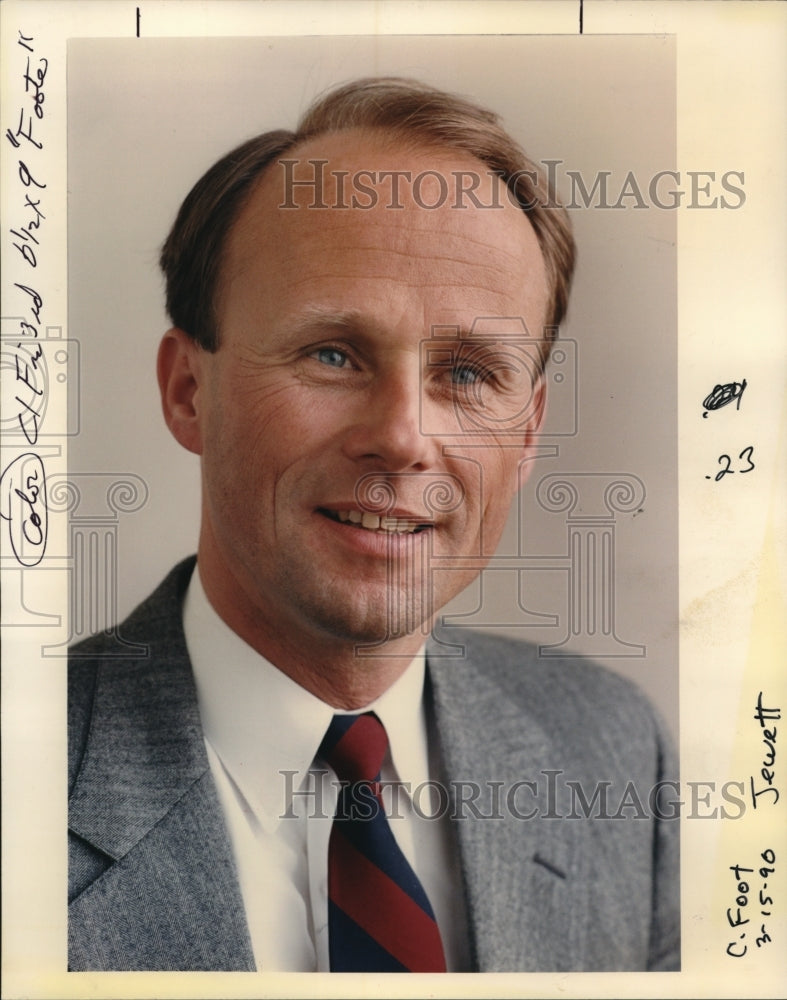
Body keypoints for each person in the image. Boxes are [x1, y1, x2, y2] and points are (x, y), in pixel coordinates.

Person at [67, 77, 679, 973]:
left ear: (530, 430)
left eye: (467, 372)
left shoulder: (617, 753)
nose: (401, 438)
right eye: (331, 353)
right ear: (188, 390)